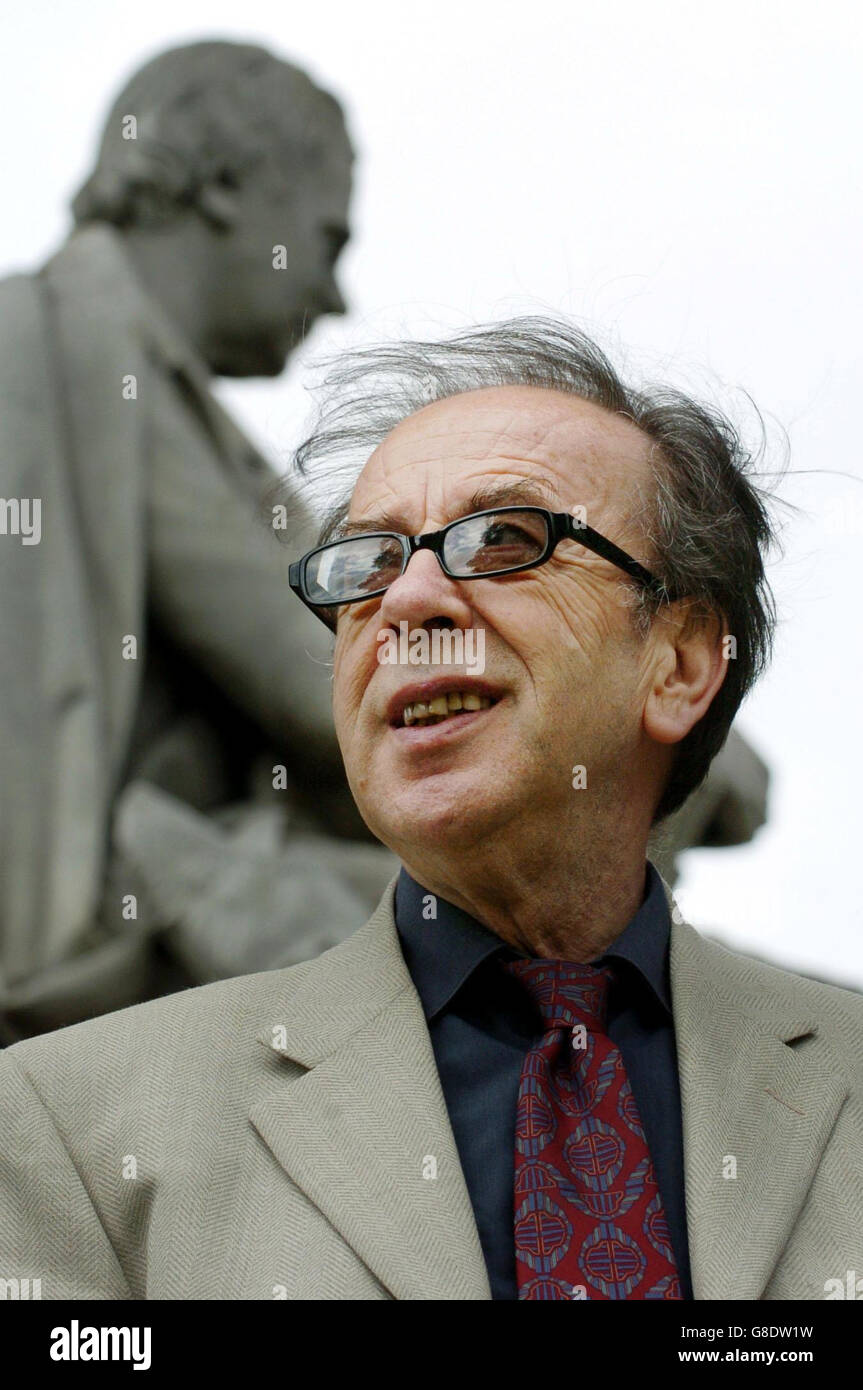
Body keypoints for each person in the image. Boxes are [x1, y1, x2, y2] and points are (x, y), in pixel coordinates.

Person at [2, 317, 859, 1300]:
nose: (405, 601)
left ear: (678, 662)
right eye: (365, 562)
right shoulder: (69, 1125)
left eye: (501, 538)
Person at [0, 40, 395, 1041]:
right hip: (101, 952)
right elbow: (326, 688)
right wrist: (600, 711)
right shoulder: (79, 359)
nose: (337, 294)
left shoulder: (134, 380)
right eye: (327, 239)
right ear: (224, 186)